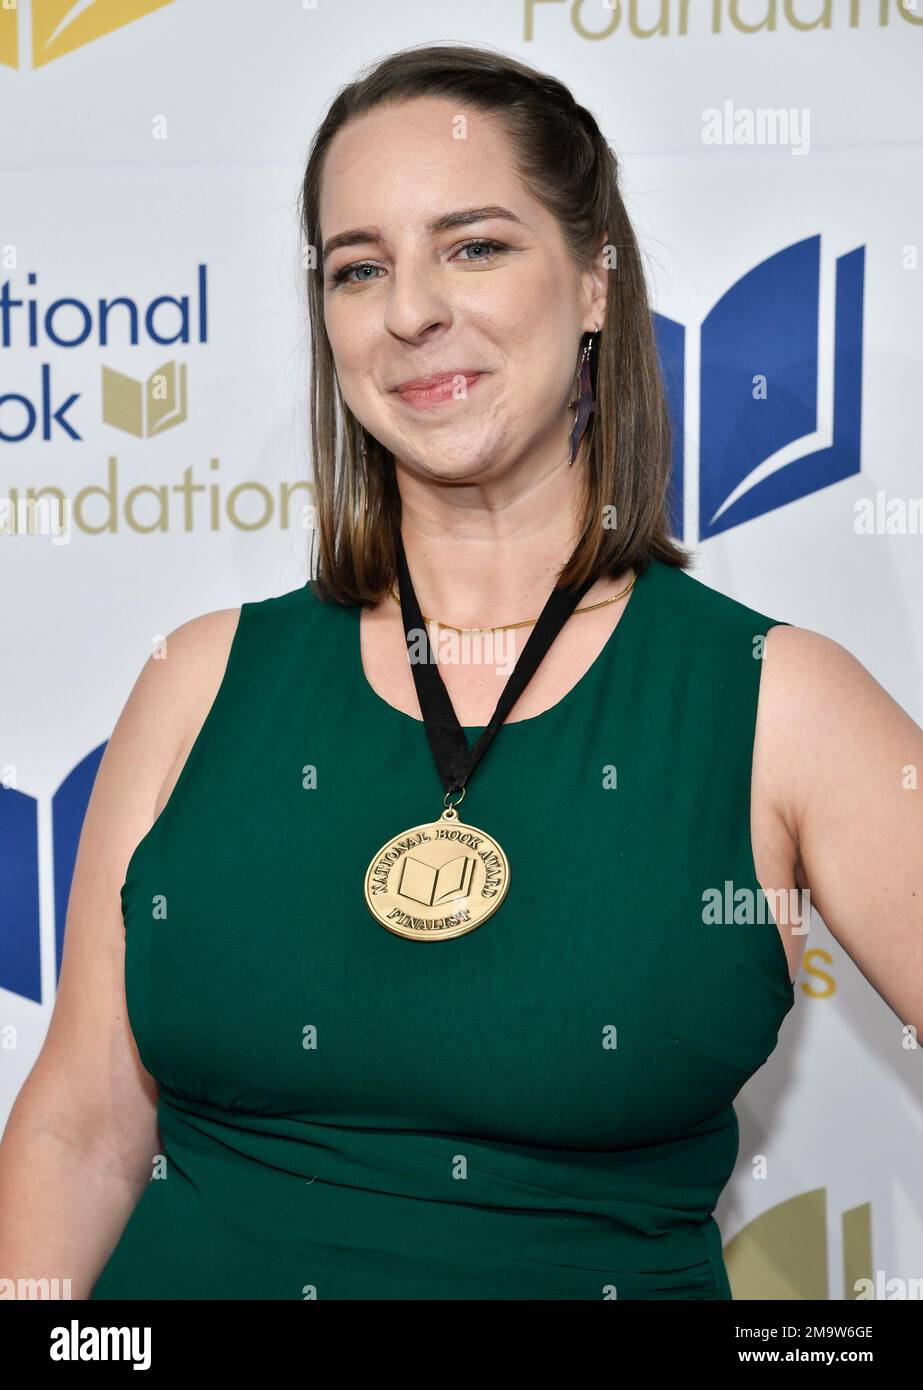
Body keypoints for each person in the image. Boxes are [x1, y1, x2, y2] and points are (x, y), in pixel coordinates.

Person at [2, 44, 920, 1302]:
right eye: (358, 267)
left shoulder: (777, 700)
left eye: (474, 246)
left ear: (596, 281)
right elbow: (83, 1128)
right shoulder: (199, 680)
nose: (409, 311)